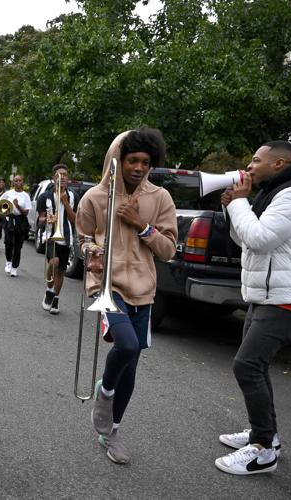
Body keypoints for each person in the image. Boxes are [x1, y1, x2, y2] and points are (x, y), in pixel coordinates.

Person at [215, 141, 291, 475]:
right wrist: (232, 207)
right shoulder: (276, 192)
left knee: (246, 366)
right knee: (256, 367)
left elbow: (261, 238)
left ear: (279, 164)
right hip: (267, 297)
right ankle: (267, 435)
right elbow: (245, 239)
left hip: (287, 300)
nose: (248, 167)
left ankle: (262, 450)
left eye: (255, 161)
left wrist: (239, 204)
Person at [77, 127, 177, 464]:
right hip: (108, 286)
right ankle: (105, 391)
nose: (138, 167)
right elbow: (81, 240)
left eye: (145, 162)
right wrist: (90, 249)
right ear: (118, 160)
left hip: (144, 290)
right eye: (132, 160)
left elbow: (168, 250)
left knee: (131, 365)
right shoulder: (94, 197)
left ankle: (112, 431)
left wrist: (143, 226)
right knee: (128, 345)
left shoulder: (160, 198)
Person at [38, 164, 79, 314]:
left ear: (68, 178)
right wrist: (47, 219)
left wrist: (66, 203)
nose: (62, 177)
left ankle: (55, 299)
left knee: (61, 272)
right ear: (54, 178)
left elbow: (74, 220)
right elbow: (40, 219)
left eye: (65, 175)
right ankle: (49, 290)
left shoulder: (73, 196)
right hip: (50, 236)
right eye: (59, 175)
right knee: (54, 263)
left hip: (66, 238)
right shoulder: (45, 197)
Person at [0, 175, 31, 277]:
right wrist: (5, 212)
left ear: (23, 182)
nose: (18, 182)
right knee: (8, 242)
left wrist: (17, 206)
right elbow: (1, 205)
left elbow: (26, 213)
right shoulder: (8, 193)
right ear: (13, 183)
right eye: (15, 181)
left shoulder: (26, 196)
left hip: (20, 221)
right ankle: (8, 261)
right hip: (10, 219)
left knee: (18, 246)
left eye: (20, 180)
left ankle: (14, 267)